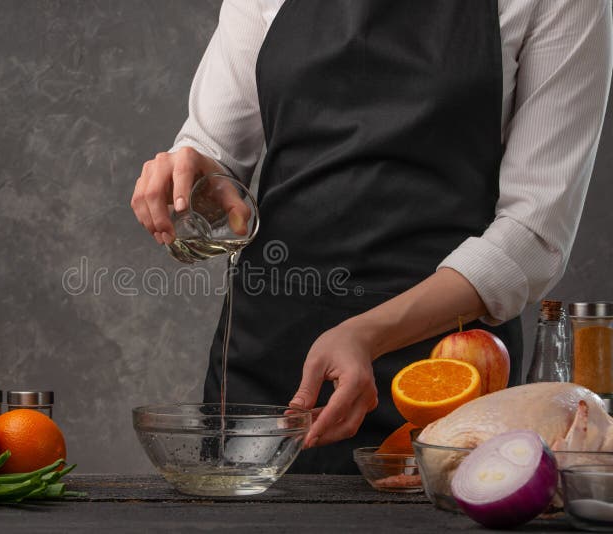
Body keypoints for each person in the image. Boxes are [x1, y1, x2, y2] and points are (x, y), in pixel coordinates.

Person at [131, 0, 613, 473]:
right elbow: (217, 149)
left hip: (444, 373)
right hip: (269, 357)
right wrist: (193, 175)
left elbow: (534, 237)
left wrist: (366, 334)